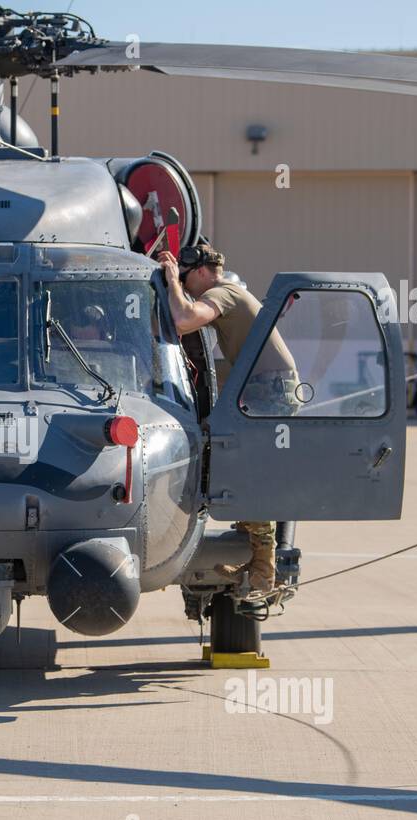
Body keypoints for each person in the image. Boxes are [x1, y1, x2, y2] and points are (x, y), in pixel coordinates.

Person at [158, 243, 298, 601]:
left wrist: (172, 281)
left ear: (202, 271)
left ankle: (265, 573)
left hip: (269, 391)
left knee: (246, 475)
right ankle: (256, 562)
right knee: (242, 471)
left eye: (189, 278)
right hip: (264, 388)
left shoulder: (225, 293)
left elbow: (184, 320)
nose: (187, 287)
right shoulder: (233, 294)